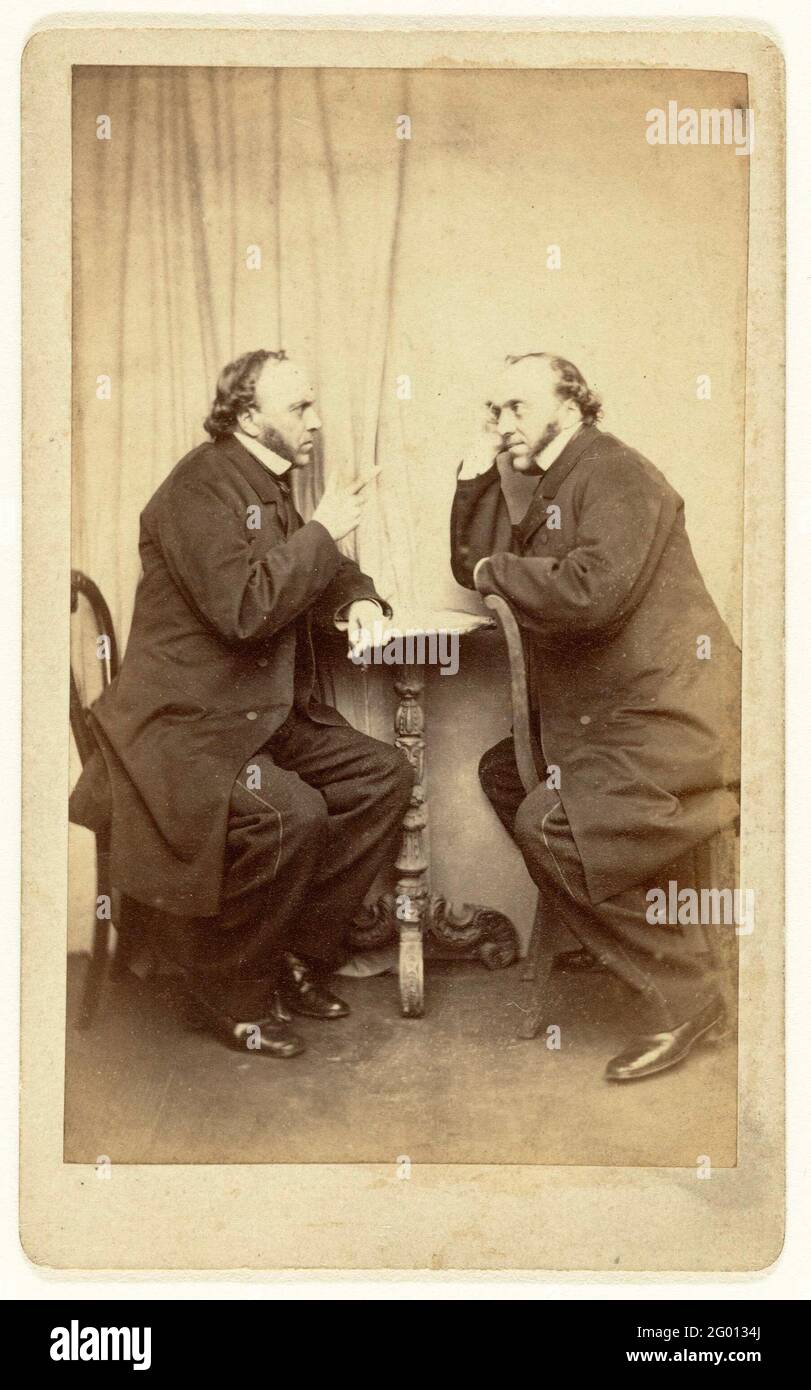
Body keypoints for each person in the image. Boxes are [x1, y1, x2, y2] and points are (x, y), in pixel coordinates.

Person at [70, 349, 413, 1059]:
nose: (315, 421)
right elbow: (246, 610)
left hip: (253, 716)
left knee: (381, 775)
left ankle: (292, 956)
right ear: (249, 415)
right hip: (181, 726)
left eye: (313, 404)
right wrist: (321, 531)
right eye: (300, 408)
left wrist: (360, 604)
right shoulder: (198, 487)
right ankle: (230, 993)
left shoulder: (267, 484)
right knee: (294, 815)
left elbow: (327, 578)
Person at [450, 352, 741, 1082]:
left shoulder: (613, 471)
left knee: (546, 824)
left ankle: (686, 998)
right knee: (502, 773)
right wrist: (476, 476)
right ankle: (607, 924)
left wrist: (492, 571)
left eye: (516, 407)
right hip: (616, 717)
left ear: (571, 406)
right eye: (495, 410)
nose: (502, 422)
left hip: (675, 717)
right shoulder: (558, 480)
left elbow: (588, 592)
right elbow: (482, 564)